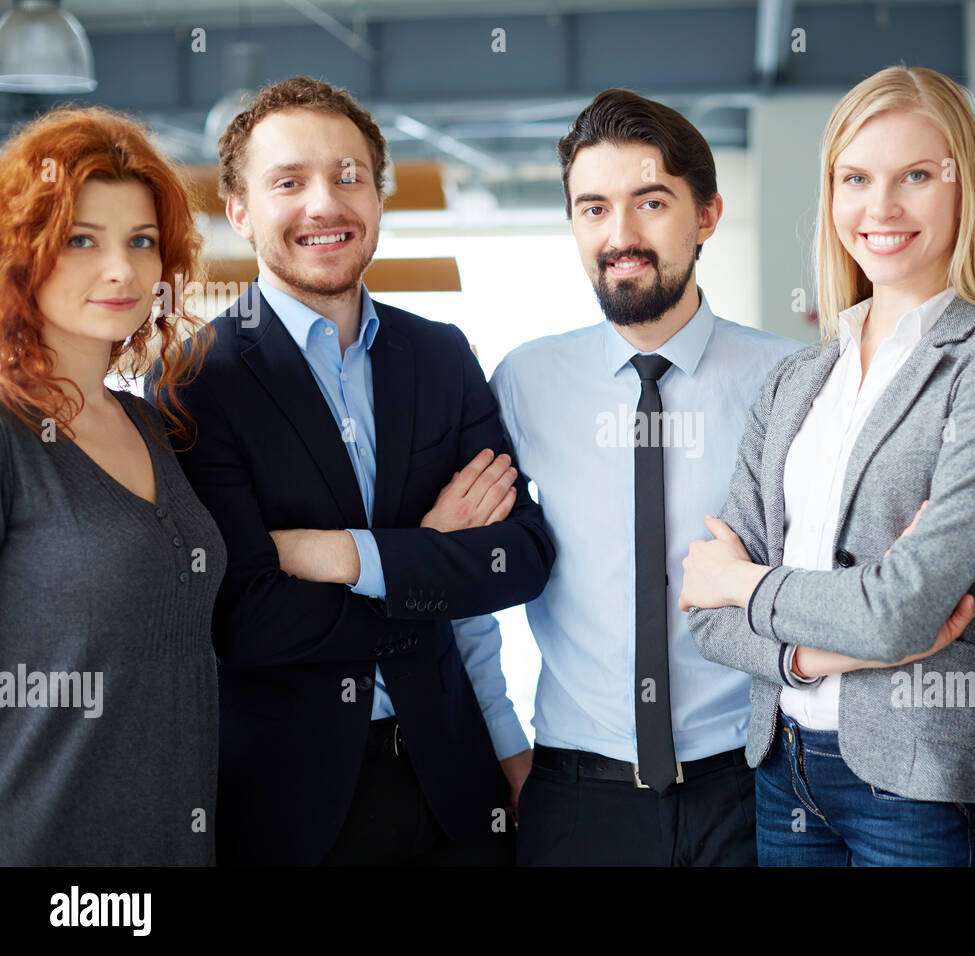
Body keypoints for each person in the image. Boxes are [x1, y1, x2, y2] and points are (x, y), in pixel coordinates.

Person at [152, 77, 555, 866]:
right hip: (287, 809)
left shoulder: (440, 353)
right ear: (240, 210)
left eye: (348, 176)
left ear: (377, 193)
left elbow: (520, 559)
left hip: (454, 785)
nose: (325, 204)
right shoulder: (196, 378)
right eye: (288, 182)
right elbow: (245, 620)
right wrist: (428, 551)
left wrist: (350, 556)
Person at [683, 66, 975, 866]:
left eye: (916, 176)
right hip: (784, 767)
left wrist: (745, 584)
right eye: (855, 178)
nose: (880, 208)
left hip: (917, 782)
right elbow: (701, 614)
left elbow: (902, 611)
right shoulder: (796, 379)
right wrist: (825, 652)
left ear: (964, 190)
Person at [467, 88, 800, 866]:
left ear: (707, 214)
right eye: (593, 209)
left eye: (650, 202)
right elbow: (466, 589)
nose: (620, 236)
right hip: (576, 794)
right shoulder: (523, 382)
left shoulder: (792, 378)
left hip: (754, 786)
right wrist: (505, 744)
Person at [0, 107, 224, 865]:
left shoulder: (150, 423)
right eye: (82, 241)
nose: (122, 270)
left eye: (142, 242)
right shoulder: (8, 433)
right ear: (22, 252)